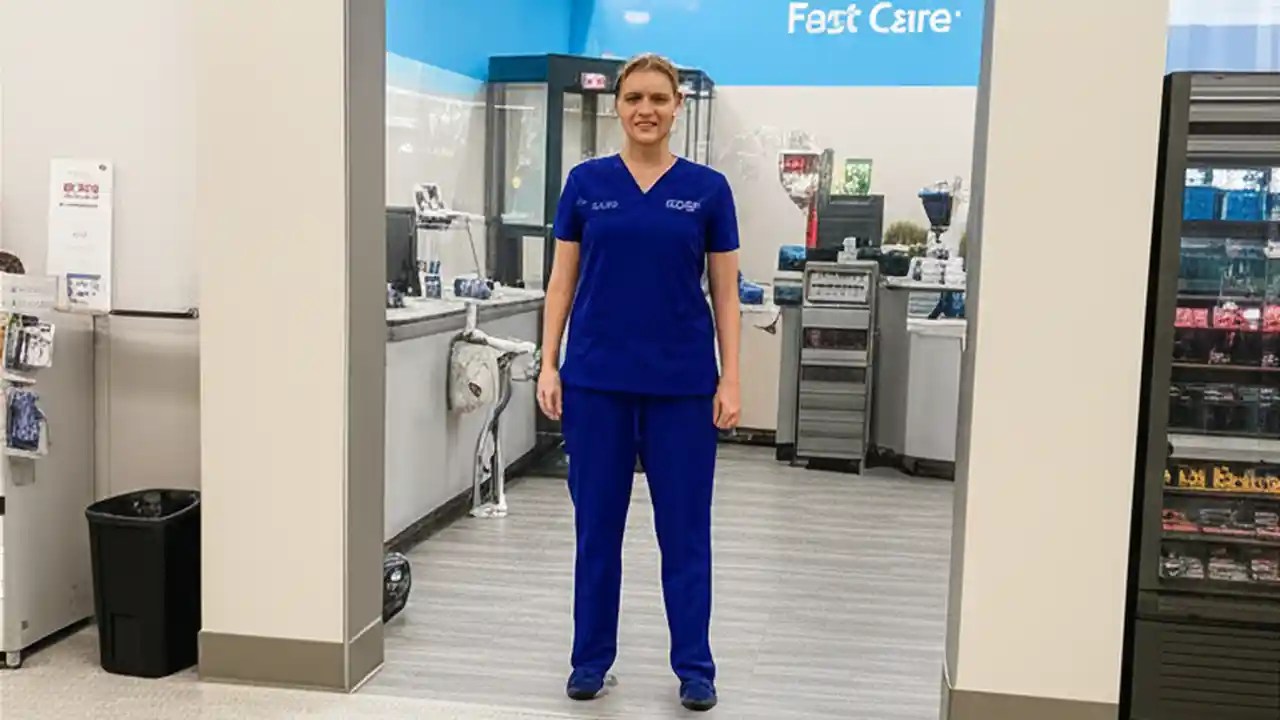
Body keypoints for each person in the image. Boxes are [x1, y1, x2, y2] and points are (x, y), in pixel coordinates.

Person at [535, 53, 742, 713]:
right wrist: (548, 360)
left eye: (658, 98)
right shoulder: (585, 184)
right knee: (598, 529)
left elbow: (727, 294)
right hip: (597, 382)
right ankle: (590, 661)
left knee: (685, 533)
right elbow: (561, 281)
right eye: (633, 99)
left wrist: (730, 378)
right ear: (618, 106)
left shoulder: (708, 191)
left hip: (682, 386)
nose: (645, 110)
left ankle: (696, 669)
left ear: (677, 106)